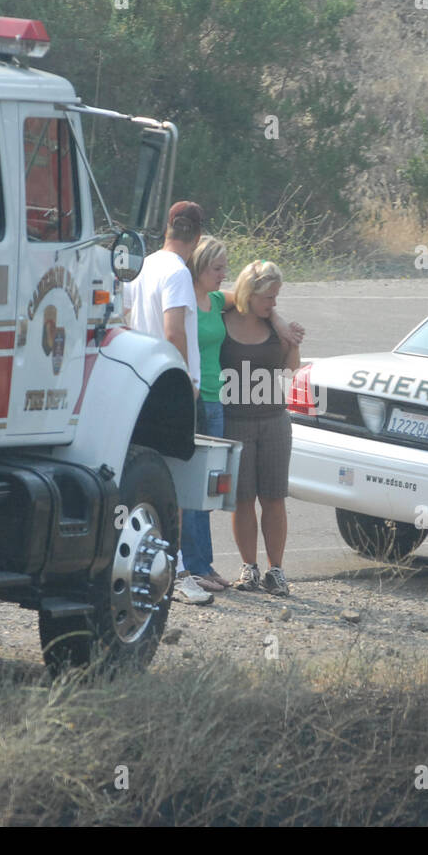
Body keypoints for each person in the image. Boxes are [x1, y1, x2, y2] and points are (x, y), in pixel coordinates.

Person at [123, 201, 211, 604]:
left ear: (167, 230)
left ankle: (148, 565)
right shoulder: (177, 272)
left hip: (138, 382)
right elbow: (175, 332)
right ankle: (173, 573)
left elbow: (124, 320)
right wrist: (186, 385)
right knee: (173, 485)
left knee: (144, 480)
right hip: (169, 388)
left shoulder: (145, 265)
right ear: (197, 236)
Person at [221, 260, 300, 597]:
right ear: (249, 293)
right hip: (234, 421)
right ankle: (249, 568)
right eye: (268, 297)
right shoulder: (222, 320)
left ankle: (276, 570)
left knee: (273, 498)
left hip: (273, 421)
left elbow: (290, 373)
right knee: (242, 499)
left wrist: (293, 342)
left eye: (276, 296)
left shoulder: (275, 327)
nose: (274, 303)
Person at [179, 235, 231, 592]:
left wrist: (277, 316)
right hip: (194, 400)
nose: (223, 274)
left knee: (210, 492)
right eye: (217, 268)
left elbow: (249, 294)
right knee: (193, 490)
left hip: (217, 402)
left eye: (225, 267)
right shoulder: (185, 302)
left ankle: (205, 564)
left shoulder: (214, 300)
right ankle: (194, 567)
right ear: (199, 267)